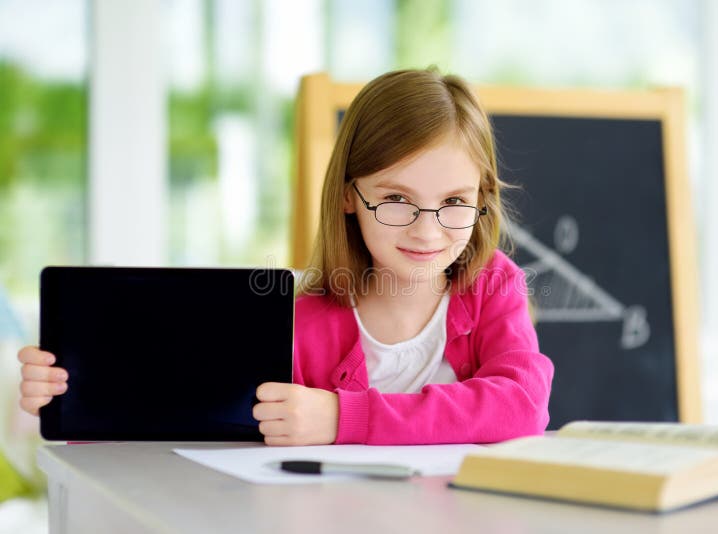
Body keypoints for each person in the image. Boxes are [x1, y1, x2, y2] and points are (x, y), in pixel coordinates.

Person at [18, 68, 554, 446]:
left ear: (482, 198)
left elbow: (522, 406)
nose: (427, 229)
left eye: (455, 202)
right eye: (396, 199)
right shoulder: (301, 320)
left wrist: (345, 417)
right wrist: (74, 392)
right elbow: (187, 418)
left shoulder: (493, 288)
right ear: (349, 196)